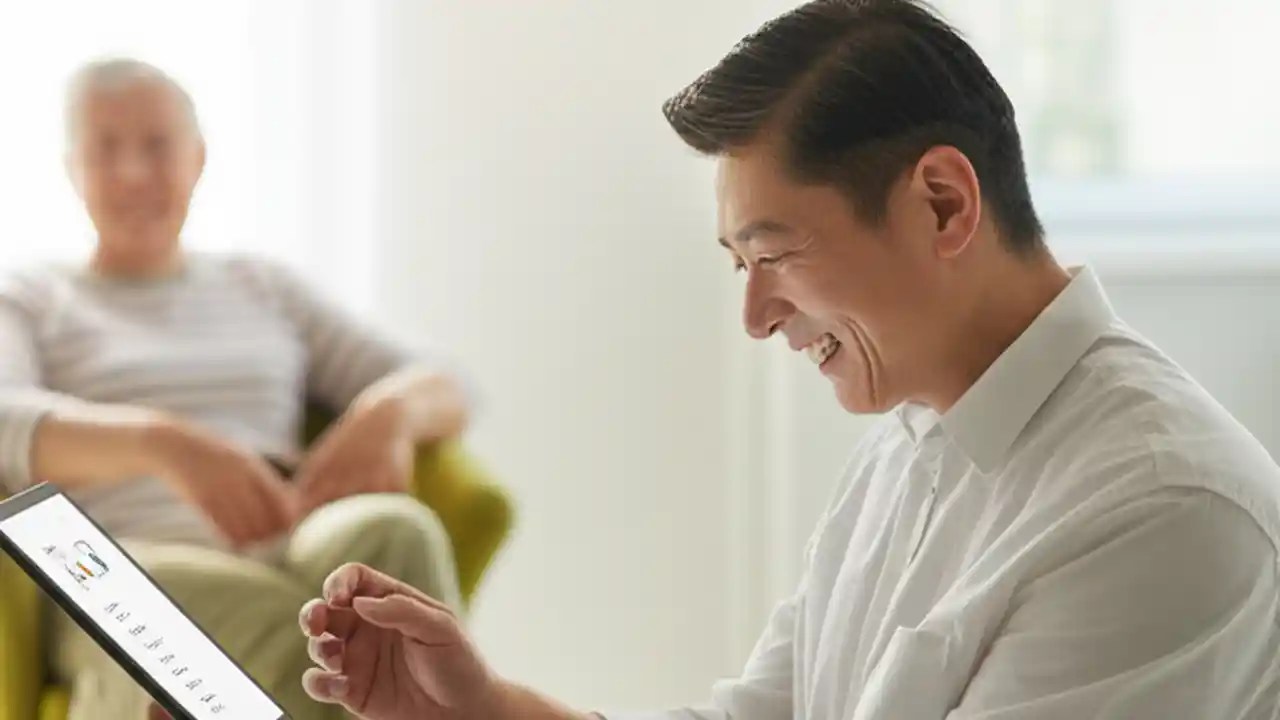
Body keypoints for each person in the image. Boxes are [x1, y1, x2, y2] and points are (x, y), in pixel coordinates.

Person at [297, 1, 1280, 718]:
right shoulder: (912, 444)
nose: (756, 316)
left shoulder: (1161, 510)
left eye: (772, 256)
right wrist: (487, 713)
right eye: (737, 264)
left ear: (943, 203)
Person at [0, 58, 472, 720]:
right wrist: (164, 445)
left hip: (289, 540)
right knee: (290, 626)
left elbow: (448, 385)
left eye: (157, 146)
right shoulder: (33, 298)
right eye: (107, 149)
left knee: (396, 532)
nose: (134, 172)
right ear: (72, 167)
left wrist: (388, 411)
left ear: (197, 159)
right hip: (123, 561)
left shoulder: (261, 286)